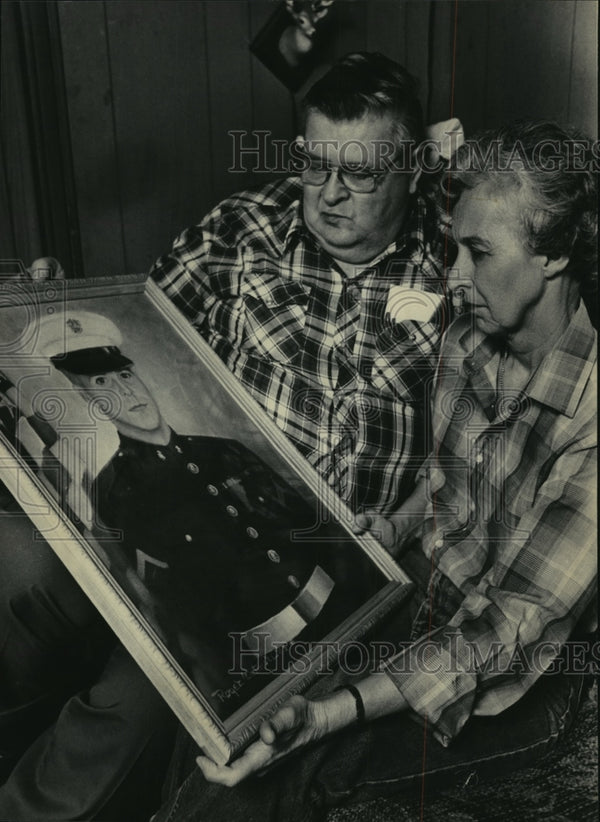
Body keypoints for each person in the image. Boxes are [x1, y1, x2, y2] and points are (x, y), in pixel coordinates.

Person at [150, 120, 597, 822]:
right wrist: (394, 524)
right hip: (420, 601)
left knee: (287, 771)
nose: (452, 278)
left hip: (521, 681)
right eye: (453, 248)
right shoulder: (467, 338)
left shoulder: (593, 417)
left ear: (558, 253)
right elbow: (453, 484)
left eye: (478, 252)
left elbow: (503, 632)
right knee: (231, 697)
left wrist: (333, 713)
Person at [0, 309, 387, 819]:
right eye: (101, 383)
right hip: (248, 660)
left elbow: (306, 526)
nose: (126, 390)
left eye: (124, 373)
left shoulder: (224, 451)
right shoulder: (117, 495)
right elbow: (174, 616)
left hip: (343, 608)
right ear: (90, 400)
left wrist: (367, 574)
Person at [151, 51, 459, 516]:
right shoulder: (239, 231)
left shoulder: (453, 267)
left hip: (367, 555)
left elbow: (466, 457)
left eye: (358, 173)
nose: (330, 194)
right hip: (220, 520)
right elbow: (138, 332)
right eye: (316, 165)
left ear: (413, 172)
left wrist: (402, 527)